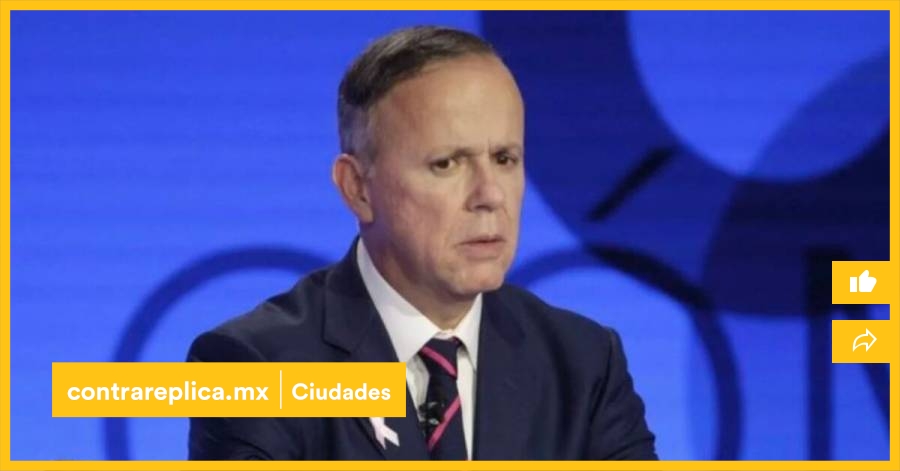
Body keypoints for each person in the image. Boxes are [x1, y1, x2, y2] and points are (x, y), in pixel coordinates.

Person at [187, 25, 657, 461]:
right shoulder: (255, 368)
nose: (490, 195)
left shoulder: (584, 366)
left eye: (504, 158)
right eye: (446, 163)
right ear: (358, 188)